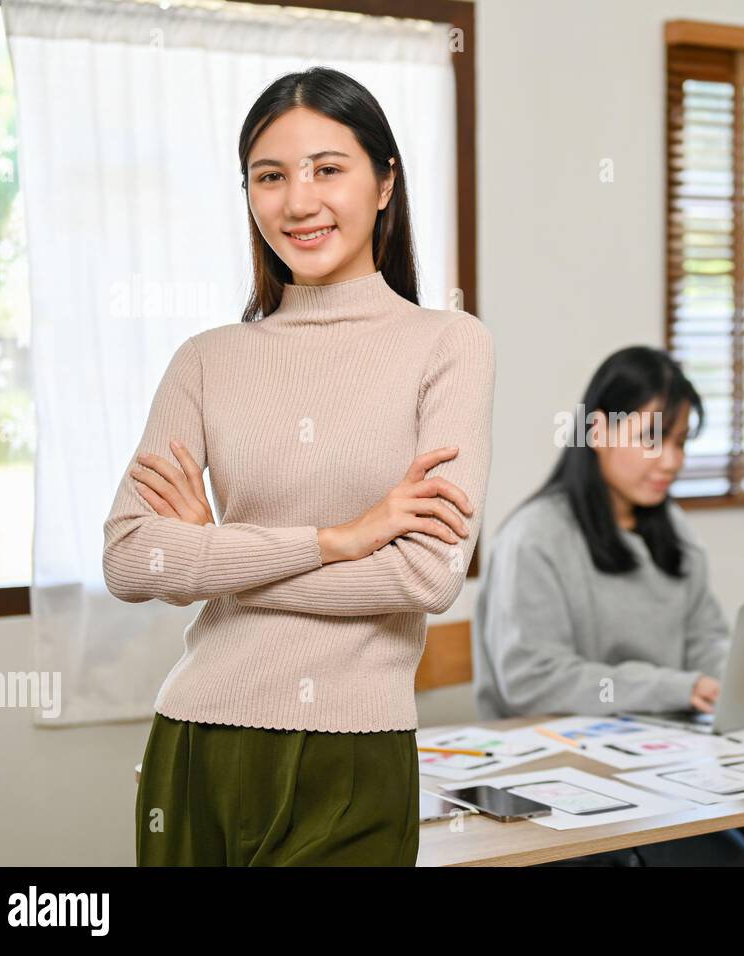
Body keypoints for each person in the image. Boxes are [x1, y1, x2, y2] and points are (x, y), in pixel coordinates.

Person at [105, 67, 494, 866]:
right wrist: (340, 539)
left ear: (385, 182)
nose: (298, 201)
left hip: (352, 751)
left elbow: (427, 576)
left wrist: (215, 553)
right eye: (270, 176)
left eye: (328, 168)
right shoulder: (206, 361)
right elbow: (128, 558)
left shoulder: (448, 345)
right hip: (195, 741)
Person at [474, 346, 744, 866]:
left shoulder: (669, 527)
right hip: (560, 775)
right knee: (722, 858)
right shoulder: (535, 537)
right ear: (600, 431)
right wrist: (679, 687)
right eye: (653, 439)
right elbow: (533, 680)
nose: (671, 461)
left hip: (659, 762)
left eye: (680, 442)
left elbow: (704, 639)